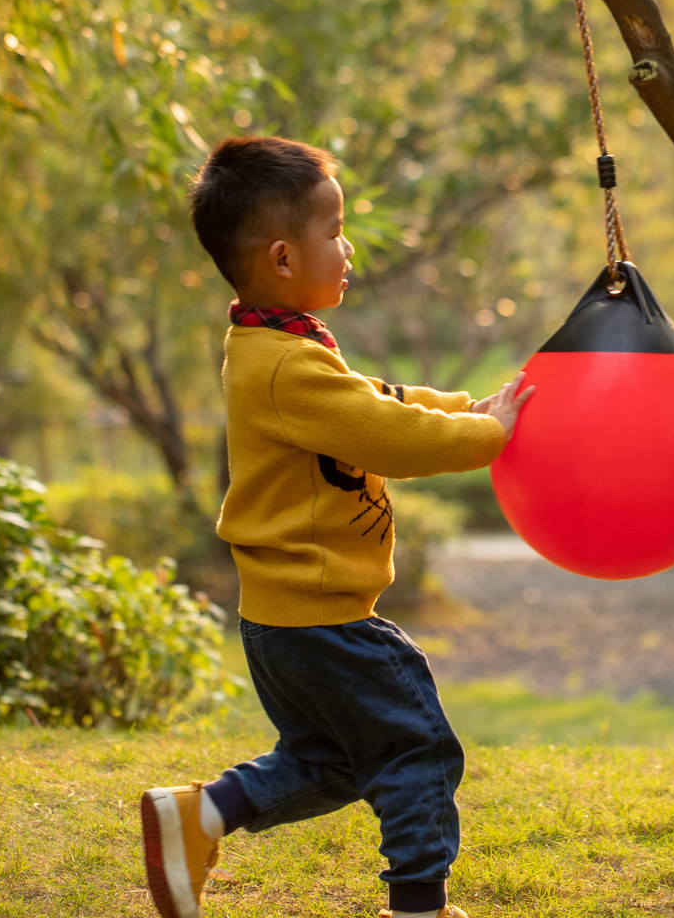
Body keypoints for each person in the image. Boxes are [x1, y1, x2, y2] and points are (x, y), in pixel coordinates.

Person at [140, 135, 532, 918]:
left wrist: (468, 408)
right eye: (334, 230)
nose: (347, 247)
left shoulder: (279, 346)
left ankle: (204, 813)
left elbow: (379, 400)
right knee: (416, 744)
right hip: (322, 619)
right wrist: (492, 437)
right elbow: (387, 436)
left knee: (335, 760)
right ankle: (419, 906)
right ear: (284, 258)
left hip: (285, 619)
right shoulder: (283, 365)